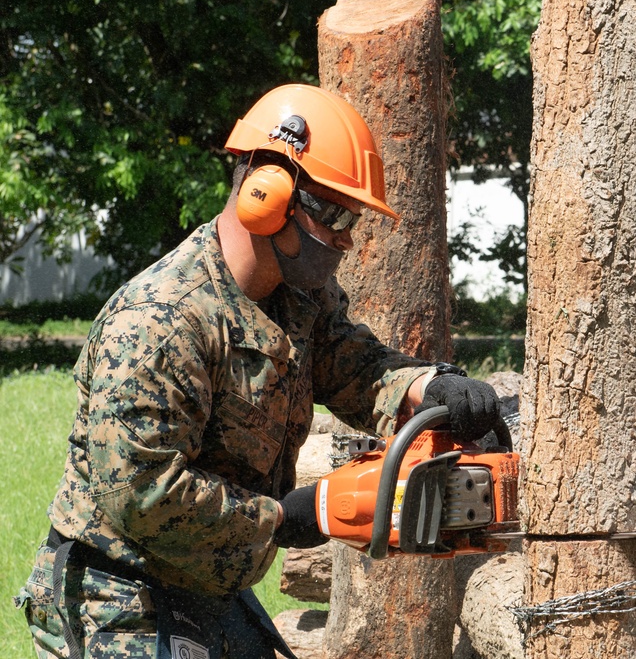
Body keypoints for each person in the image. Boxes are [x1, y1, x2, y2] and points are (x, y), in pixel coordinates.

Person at [15, 83, 501, 659]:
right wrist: (286, 517)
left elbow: (352, 364)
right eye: (337, 215)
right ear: (267, 195)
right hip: (116, 592)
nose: (346, 239)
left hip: (204, 586)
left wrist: (428, 386)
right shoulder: (162, 320)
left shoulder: (297, 296)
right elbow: (142, 494)